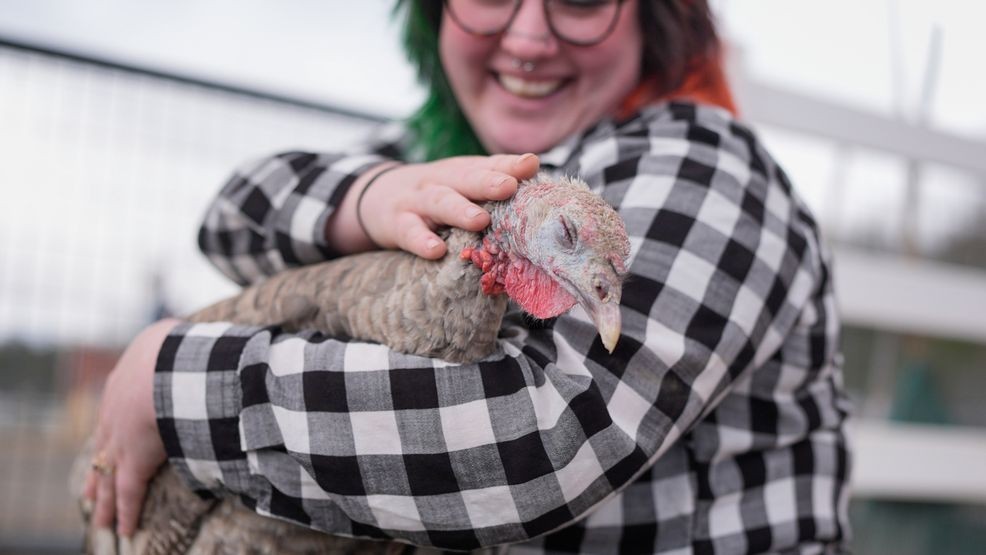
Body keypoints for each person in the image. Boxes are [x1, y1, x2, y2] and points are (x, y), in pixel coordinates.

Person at [85, 0, 852, 552]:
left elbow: (544, 438)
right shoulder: (432, 156)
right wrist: (372, 195)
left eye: (581, 0)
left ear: (653, 15)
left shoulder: (703, 168)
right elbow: (230, 218)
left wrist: (177, 387)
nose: (529, 38)